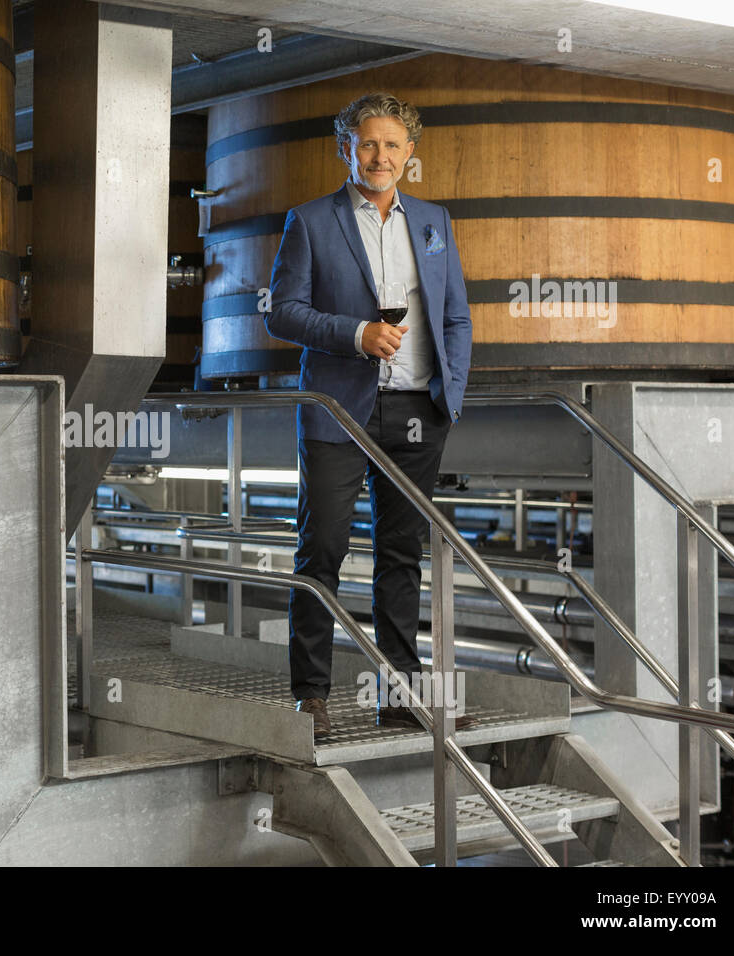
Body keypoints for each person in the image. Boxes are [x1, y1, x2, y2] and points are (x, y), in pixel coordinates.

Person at [265, 91, 476, 740]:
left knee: (401, 554)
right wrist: (356, 334)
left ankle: (399, 694)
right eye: (367, 143)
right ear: (346, 149)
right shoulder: (311, 221)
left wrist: (451, 398)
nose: (379, 155)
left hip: (417, 412)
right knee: (322, 548)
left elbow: (455, 317)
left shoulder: (435, 222)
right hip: (337, 412)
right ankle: (312, 695)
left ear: (410, 153)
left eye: (391, 144)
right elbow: (281, 311)